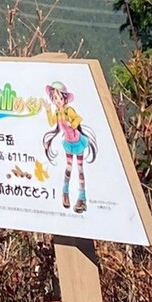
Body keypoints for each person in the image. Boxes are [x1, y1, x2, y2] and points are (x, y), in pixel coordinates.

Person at [42, 81, 97, 212]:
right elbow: (51, 122)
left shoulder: (68, 110)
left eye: (60, 98)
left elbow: (78, 118)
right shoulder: (58, 112)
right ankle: (65, 193)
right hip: (68, 143)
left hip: (77, 142)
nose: (58, 101)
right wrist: (48, 110)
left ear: (65, 98)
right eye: (55, 98)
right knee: (68, 167)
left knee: (79, 168)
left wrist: (71, 124)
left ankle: (82, 197)